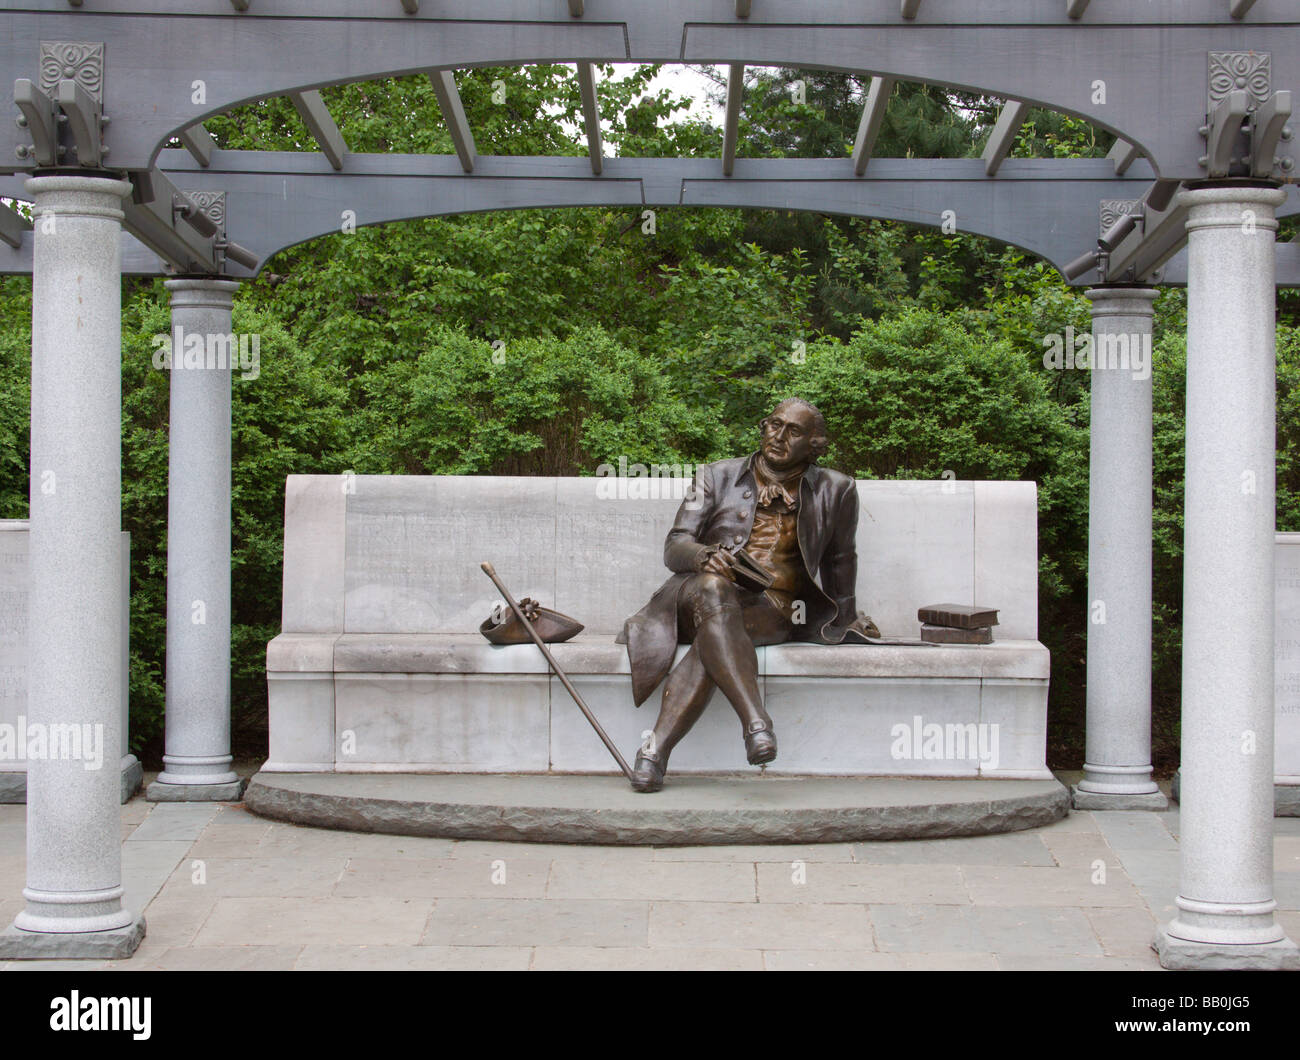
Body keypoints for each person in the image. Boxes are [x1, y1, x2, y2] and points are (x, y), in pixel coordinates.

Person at [616, 397, 879, 792]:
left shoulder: (837, 489)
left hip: (773, 610)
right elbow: (675, 545)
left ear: (814, 445)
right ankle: (756, 721)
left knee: (717, 638)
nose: (778, 436)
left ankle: (653, 752)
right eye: (774, 424)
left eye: (793, 431)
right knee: (713, 589)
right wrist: (704, 556)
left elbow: (841, 559)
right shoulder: (714, 475)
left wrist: (847, 617)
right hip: (695, 596)